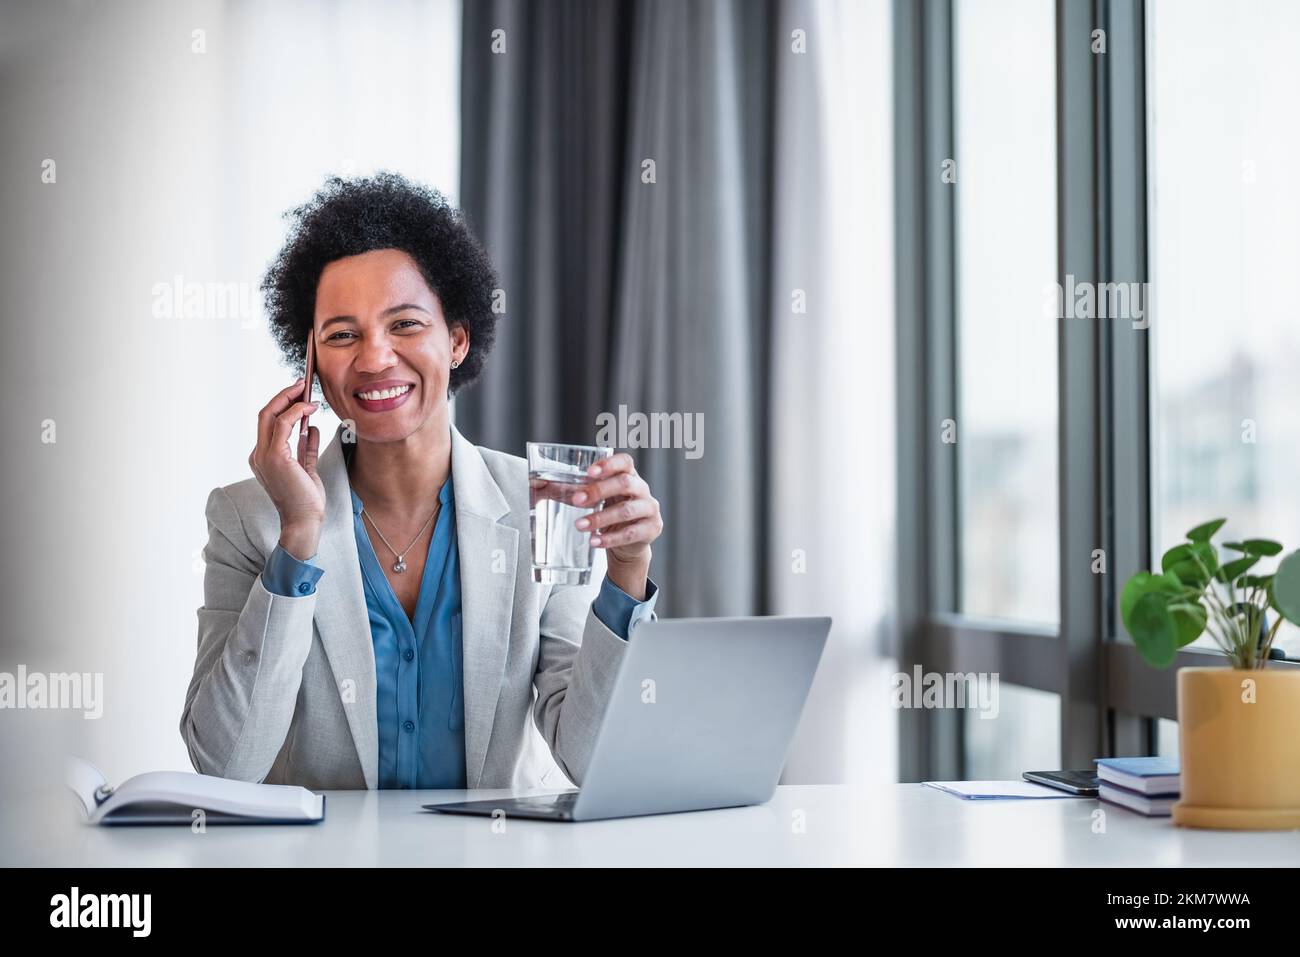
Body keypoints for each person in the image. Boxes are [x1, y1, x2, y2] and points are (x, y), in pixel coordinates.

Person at [180, 172, 663, 790]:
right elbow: (227, 764)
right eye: (342, 334)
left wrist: (626, 570)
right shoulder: (246, 518)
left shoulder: (547, 501)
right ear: (311, 366)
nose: (375, 357)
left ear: (457, 339)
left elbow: (594, 762)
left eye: (404, 324)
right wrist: (299, 535)